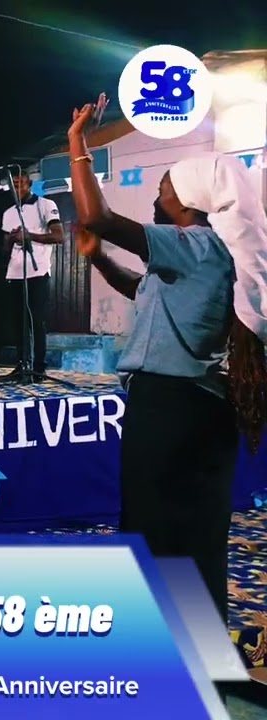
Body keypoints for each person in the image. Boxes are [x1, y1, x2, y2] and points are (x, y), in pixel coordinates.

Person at [68, 102, 267, 626]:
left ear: (188, 200)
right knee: (198, 538)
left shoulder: (192, 244)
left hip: (167, 410)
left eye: (163, 189)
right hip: (205, 408)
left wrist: (77, 145)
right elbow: (142, 289)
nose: (157, 198)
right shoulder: (216, 253)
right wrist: (98, 259)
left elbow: (98, 217)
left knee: (153, 533)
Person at [1, 173, 63, 378]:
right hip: (15, 271)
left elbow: (58, 236)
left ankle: (38, 367)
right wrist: (11, 239)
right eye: (13, 185)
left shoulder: (45, 205)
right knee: (18, 322)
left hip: (38, 270)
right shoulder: (9, 213)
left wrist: (30, 236)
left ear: (30, 184)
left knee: (37, 320)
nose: (16, 188)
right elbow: (5, 249)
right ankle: (22, 364)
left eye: (20, 184)